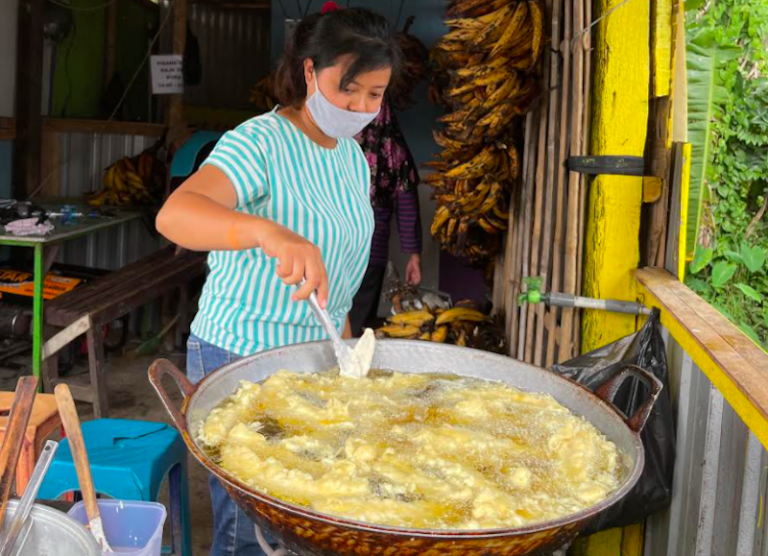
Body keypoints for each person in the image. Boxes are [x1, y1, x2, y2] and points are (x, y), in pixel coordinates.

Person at [155, 8, 401, 556]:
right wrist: (268, 232)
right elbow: (176, 215)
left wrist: (340, 340)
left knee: (306, 513)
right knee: (253, 532)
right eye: (349, 89)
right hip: (240, 356)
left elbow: (336, 266)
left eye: (375, 94)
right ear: (310, 73)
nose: (361, 107)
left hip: (312, 358)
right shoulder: (260, 141)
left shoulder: (352, 160)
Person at [349, 97, 423, 336]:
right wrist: (413, 255)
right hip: (371, 250)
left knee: (325, 319)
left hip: (329, 247)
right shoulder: (394, 149)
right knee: (358, 322)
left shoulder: (332, 143)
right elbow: (406, 199)